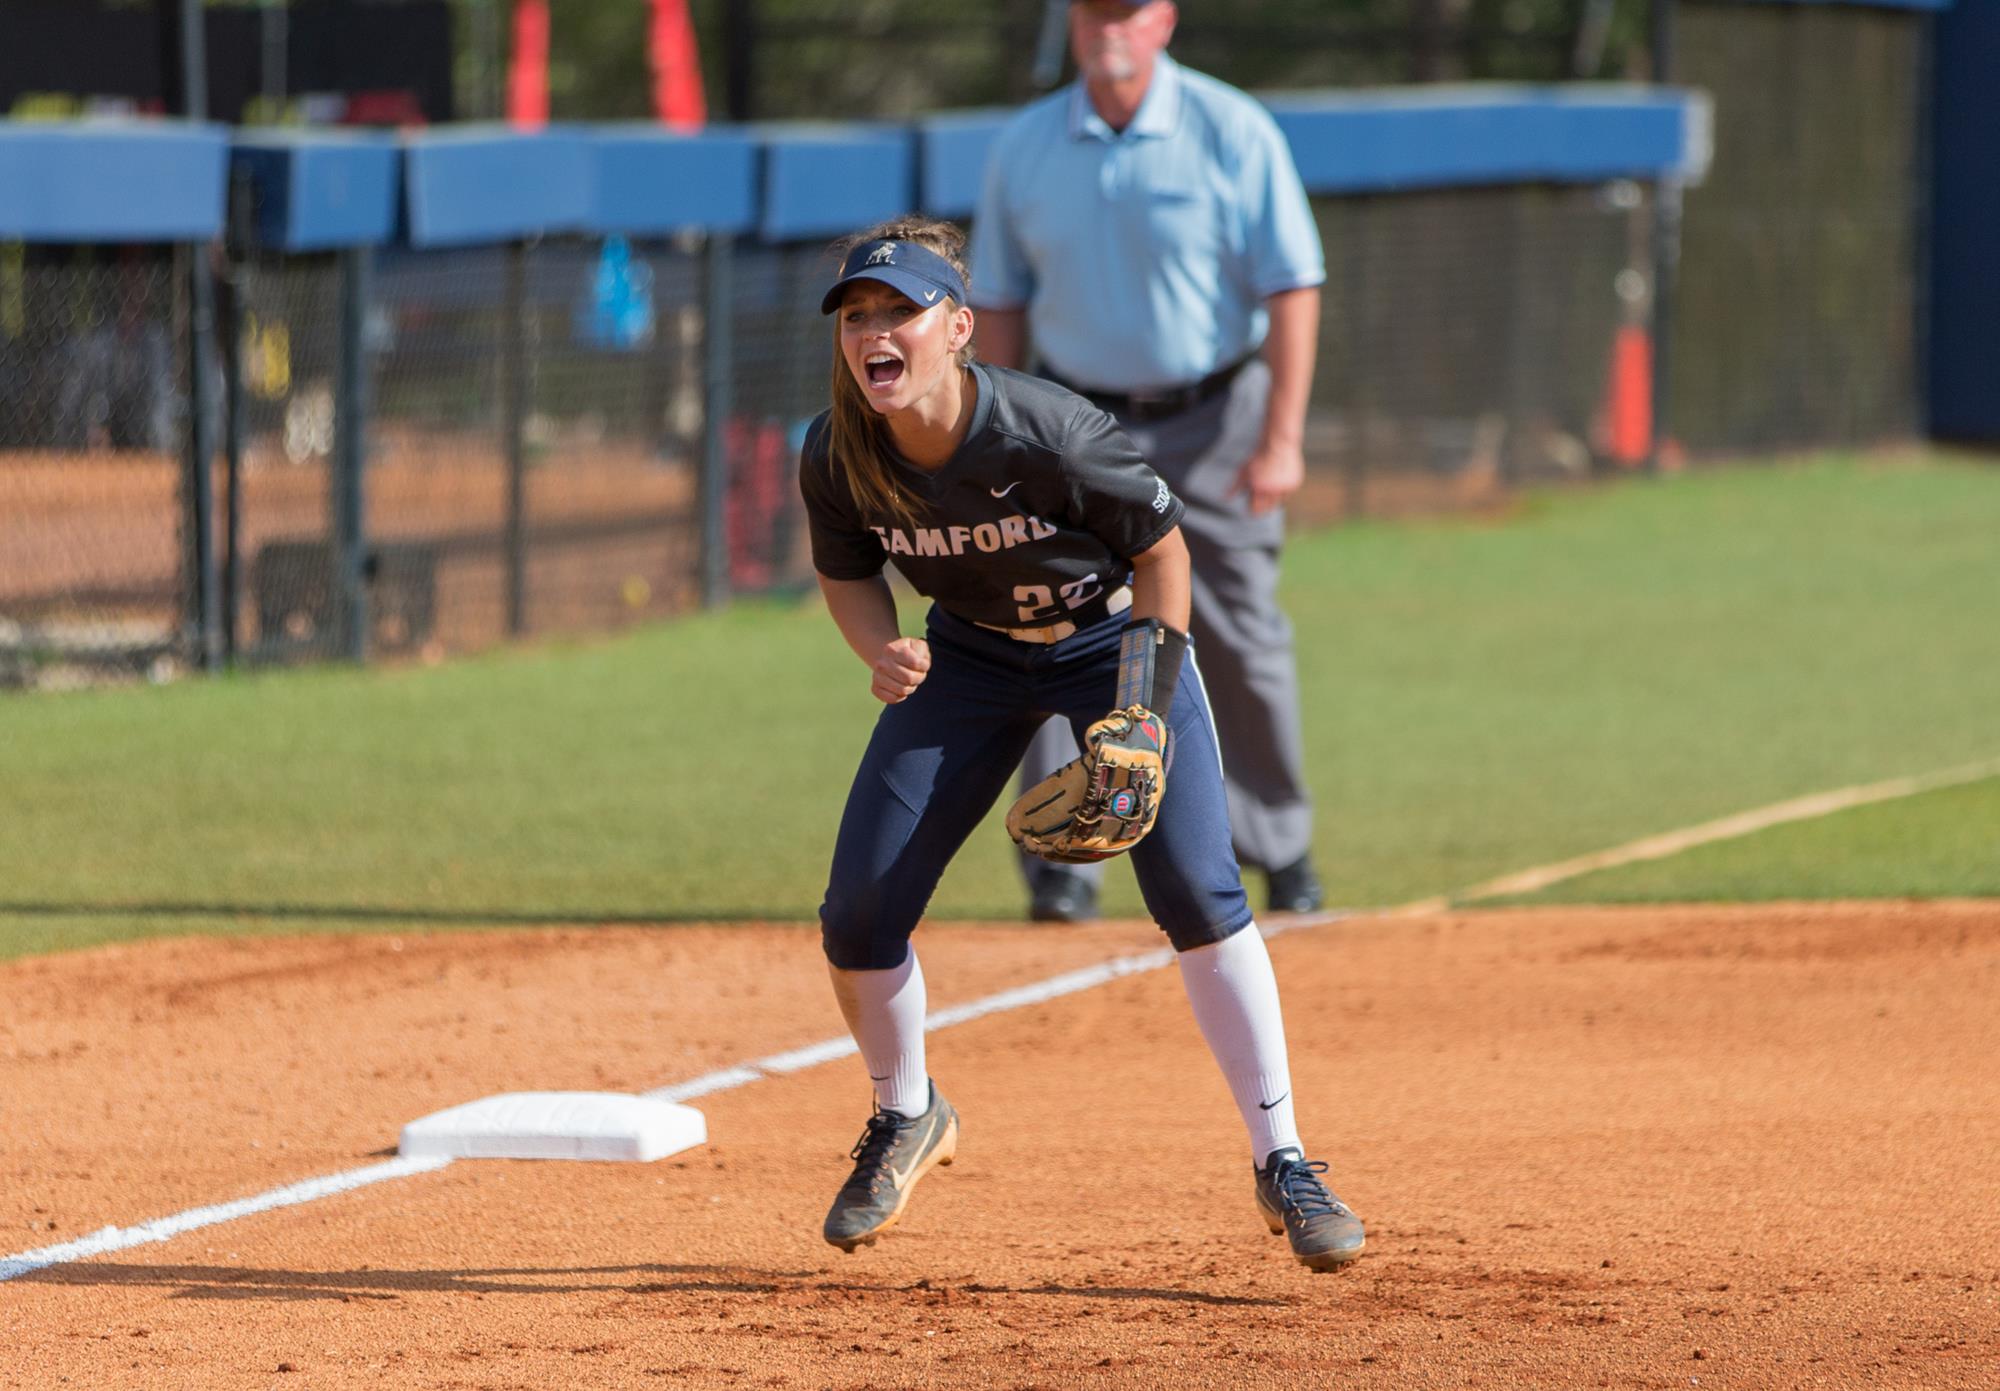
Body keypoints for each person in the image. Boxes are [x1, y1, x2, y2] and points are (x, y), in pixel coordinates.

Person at [797, 214, 1364, 1273]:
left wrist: (1140, 711)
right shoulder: (838, 450)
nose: (873, 331)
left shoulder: (1044, 431)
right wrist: (879, 646)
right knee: (859, 909)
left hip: (1111, 639)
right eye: (856, 315)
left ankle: (1281, 1157)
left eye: (899, 311)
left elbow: (1162, 552)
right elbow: (844, 567)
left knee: (1198, 891)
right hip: (965, 660)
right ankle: (904, 1110)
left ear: (957, 326)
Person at [971, 0, 1327, 924]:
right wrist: (995, 437)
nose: (1110, 29)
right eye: (1094, 12)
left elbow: (1292, 284)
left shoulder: (1229, 126)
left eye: (1128, 12)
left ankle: (1279, 848)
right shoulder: (1026, 145)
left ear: (1165, 20)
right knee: (1049, 624)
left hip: (1214, 417)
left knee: (1241, 633)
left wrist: (1281, 435)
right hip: (1073, 425)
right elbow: (1000, 301)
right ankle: (1064, 860)